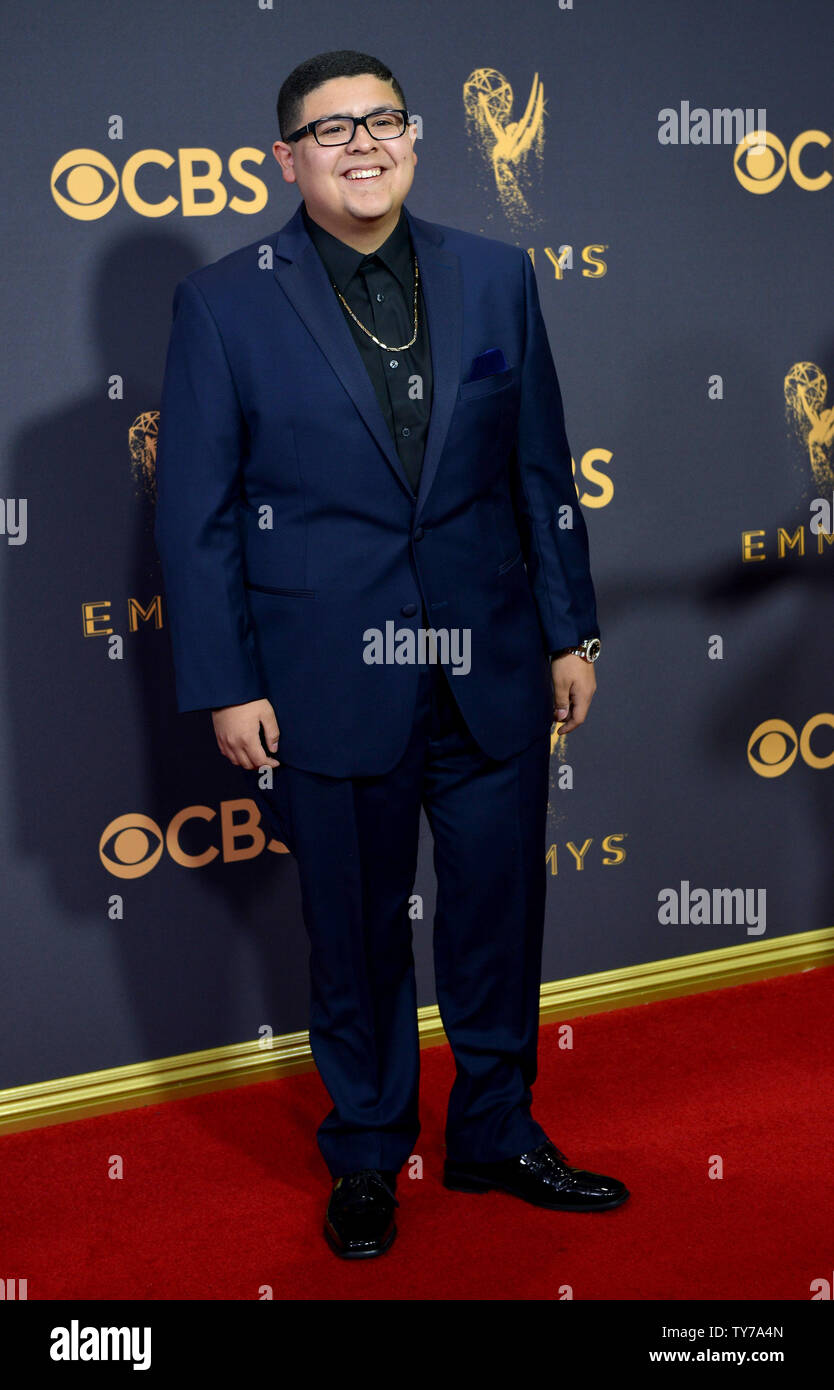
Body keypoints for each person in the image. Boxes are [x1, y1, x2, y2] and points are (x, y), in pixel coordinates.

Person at [154, 48, 628, 1260]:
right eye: (331, 129)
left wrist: (569, 626)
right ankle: (368, 1154)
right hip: (325, 681)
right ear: (287, 158)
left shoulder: (497, 276)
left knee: (496, 915)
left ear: (416, 140)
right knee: (355, 934)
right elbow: (198, 514)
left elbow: (542, 473)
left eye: (383, 121)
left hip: (492, 668)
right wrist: (228, 679)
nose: (362, 144)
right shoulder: (224, 303)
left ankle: (495, 1133)